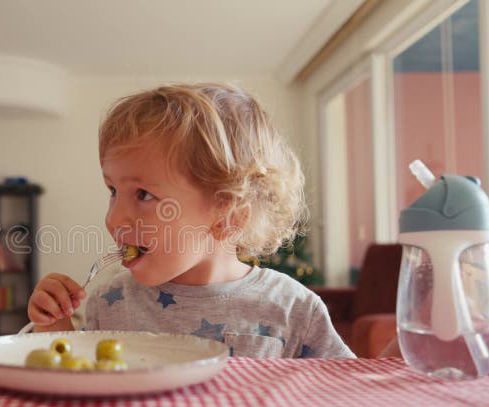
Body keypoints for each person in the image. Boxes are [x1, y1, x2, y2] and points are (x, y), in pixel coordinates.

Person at [27, 82, 354, 358]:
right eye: (113, 190)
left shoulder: (292, 308)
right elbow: (81, 383)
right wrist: (53, 328)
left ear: (229, 216)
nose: (114, 218)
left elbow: (344, 398)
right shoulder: (110, 302)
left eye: (143, 194)